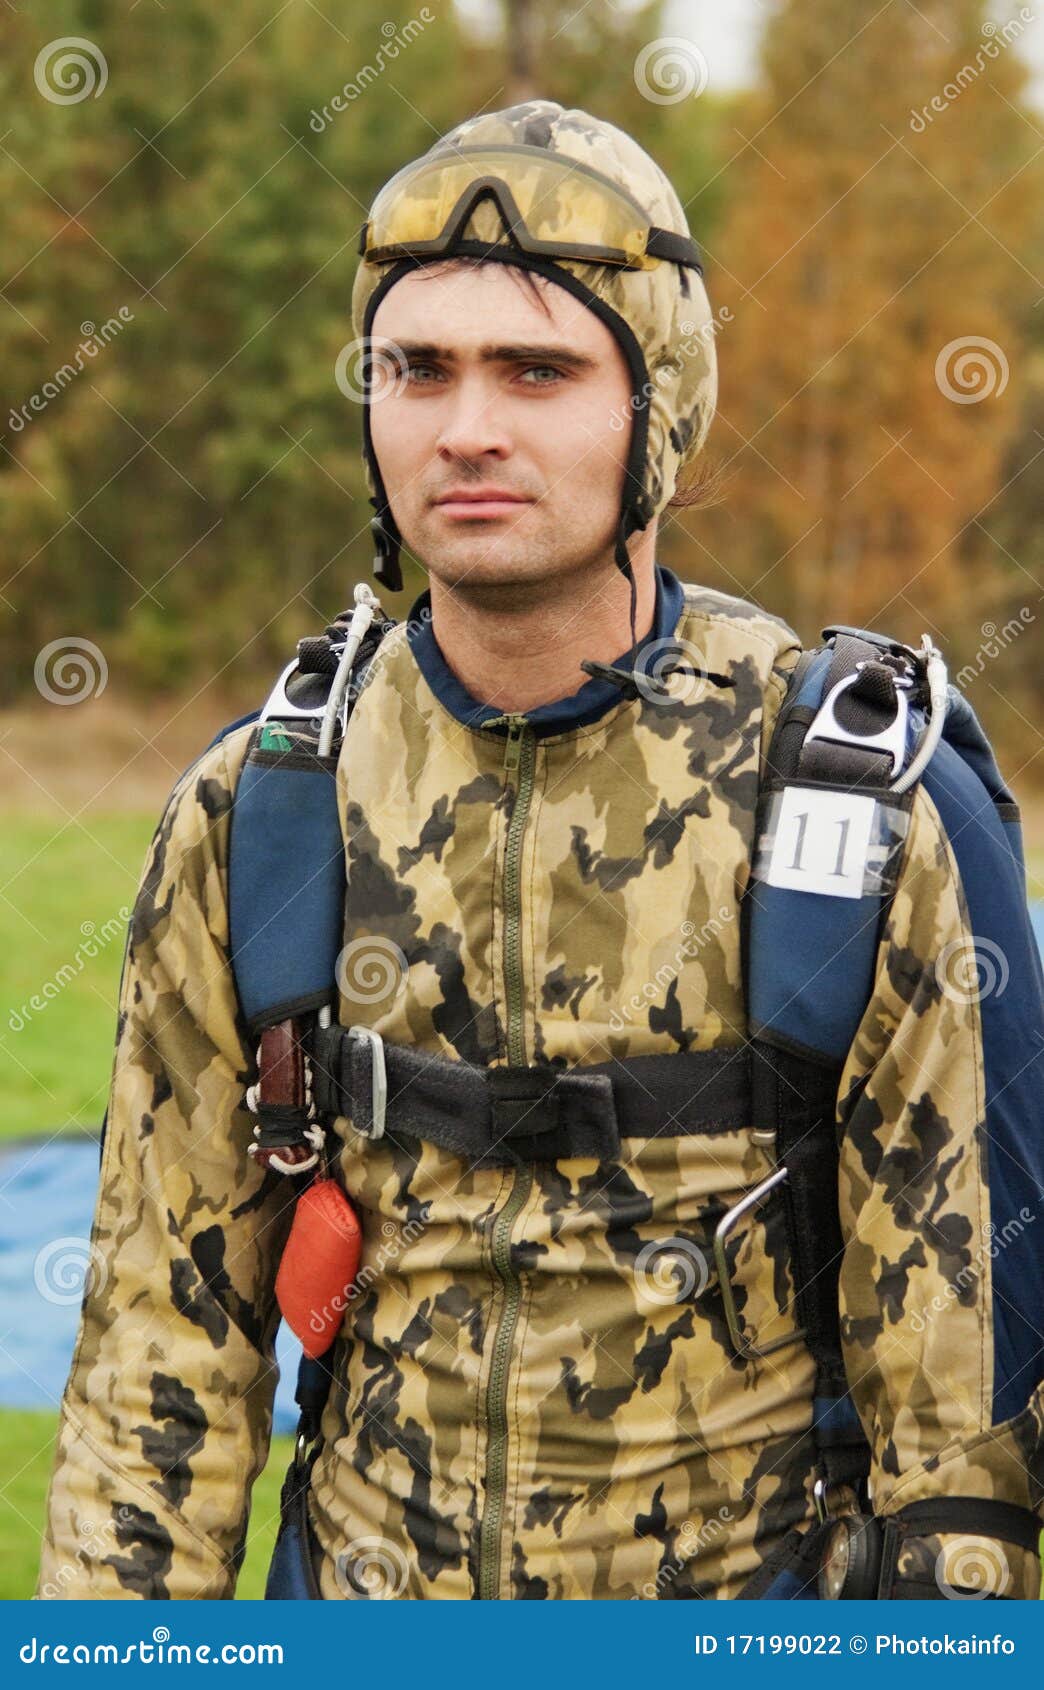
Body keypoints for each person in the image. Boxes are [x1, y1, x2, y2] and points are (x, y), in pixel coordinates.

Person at [37, 99, 1043, 1601]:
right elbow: (152, 1370)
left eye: (540, 369)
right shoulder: (261, 814)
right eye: (414, 367)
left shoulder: (861, 815)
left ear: (662, 405)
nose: (467, 428)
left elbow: (968, 1444)